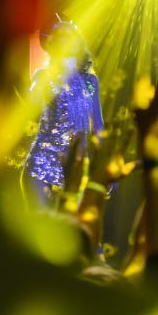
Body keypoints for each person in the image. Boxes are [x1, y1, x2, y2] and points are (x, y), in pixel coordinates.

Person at [23, 17, 104, 208]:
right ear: (54, 43)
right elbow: (28, 112)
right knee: (41, 227)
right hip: (43, 162)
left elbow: (98, 126)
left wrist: (103, 167)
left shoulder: (90, 82)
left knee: (71, 231)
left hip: (76, 168)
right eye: (61, 36)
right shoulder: (43, 76)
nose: (67, 39)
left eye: (71, 34)